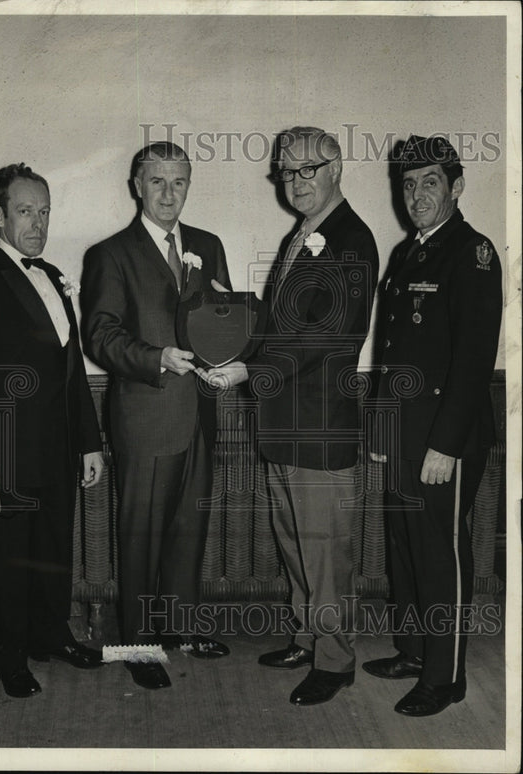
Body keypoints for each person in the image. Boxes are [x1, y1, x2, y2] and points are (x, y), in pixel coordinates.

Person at [200, 127, 378, 705]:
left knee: (324, 548)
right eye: (286, 171)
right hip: (284, 423)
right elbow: (279, 327)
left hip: (321, 425)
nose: (295, 182)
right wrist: (228, 327)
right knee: (295, 541)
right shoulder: (302, 236)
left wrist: (250, 372)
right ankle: (306, 636)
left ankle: (335, 659)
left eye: (307, 170)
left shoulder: (352, 239)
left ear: (336, 170)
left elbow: (327, 335)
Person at [0, 163, 105, 699]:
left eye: (44, 211)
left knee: (55, 550)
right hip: (2, 453)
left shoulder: (56, 275)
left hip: (57, 450)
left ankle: (50, 635)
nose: (37, 222)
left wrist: (88, 442)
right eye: (25, 211)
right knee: (10, 559)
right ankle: (9, 656)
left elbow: (72, 368)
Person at [81, 141, 232, 691]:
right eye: (158, 182)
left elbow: (223, 321)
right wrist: (156, 358)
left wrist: (228, 347)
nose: (170, 194)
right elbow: (100, 335)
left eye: (180, 182)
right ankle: (138, 646)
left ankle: (182, 631)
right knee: (140, 535)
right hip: (145, 417)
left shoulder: (209, 246)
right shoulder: (111, 254)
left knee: (189, 529)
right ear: (136, 187)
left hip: (200, 414)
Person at [362, 135, 503, 716]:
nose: (416, 194)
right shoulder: (408, 254)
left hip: (445, 438)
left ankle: (445, 677)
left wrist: (444, 446)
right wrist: (381, 430)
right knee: (406, 548)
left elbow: (472, 361)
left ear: (456, 187)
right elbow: (392, 353)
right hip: (403, 434)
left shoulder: (473, 253)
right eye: (408, 183)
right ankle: (415, 650)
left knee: (442, 553)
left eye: (430, 183)